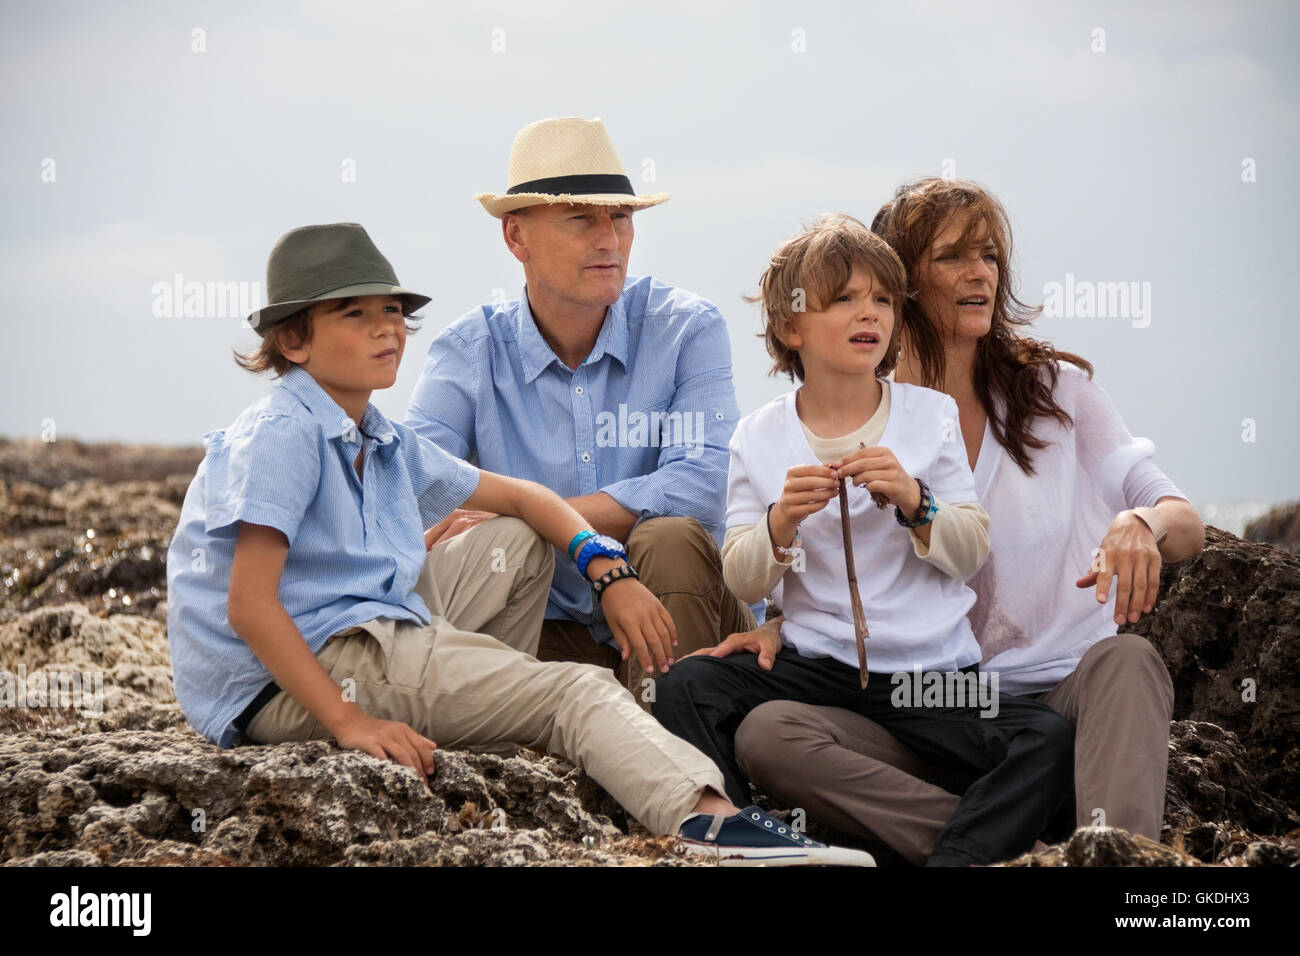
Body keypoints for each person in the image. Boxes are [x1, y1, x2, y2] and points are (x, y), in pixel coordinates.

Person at [163, 221, 874, 865]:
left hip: (362, 627)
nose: (387, 331)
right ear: (292, 339)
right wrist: (348, 721)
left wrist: (605, 567)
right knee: (578, 692)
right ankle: (716, 828)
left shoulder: (377, 435)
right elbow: (250, 606)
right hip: (291, 678)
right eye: (354, 314)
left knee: (521, 536)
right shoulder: (283, 432)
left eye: (392, 312)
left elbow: (520, 497)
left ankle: (493, 714)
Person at [735, 179, 1204, 862]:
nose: (980, 271)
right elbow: (835, 564)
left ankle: (1115, 866)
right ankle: (1004, 849)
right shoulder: (868, 415)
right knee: (770, 734)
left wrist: (1140, 522)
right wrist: (789, 622)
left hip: (1060, 706)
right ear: (900, 281)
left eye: (988, 255)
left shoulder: (1059, 395)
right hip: (926, 711)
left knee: (1128, 659)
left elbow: (1183, 520)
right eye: (953, 256)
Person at [650, 214, 1077, 867]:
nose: (868, 313)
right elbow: (742, 577)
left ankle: (955, 857)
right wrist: (779, 523)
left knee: (1043, 736)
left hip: (928, 677)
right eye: (844, 299)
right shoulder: (758, 436)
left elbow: (970, 553)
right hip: (815, 668)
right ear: (792, 327)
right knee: (686, 686)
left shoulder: (928, 418)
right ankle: (750, 840)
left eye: (882, 299)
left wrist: (916, 502)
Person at [404, 117, 757, 706]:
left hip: (682, 616)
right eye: (581, 218)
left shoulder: (686, 327)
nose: (610, 240)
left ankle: (687, 758)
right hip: (546, 631)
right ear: (516, 238)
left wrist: (538, 515)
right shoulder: (467, 352)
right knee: (491, 557)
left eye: (621, 217)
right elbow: (412, 485)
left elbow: (702, 483)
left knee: (669, 537)